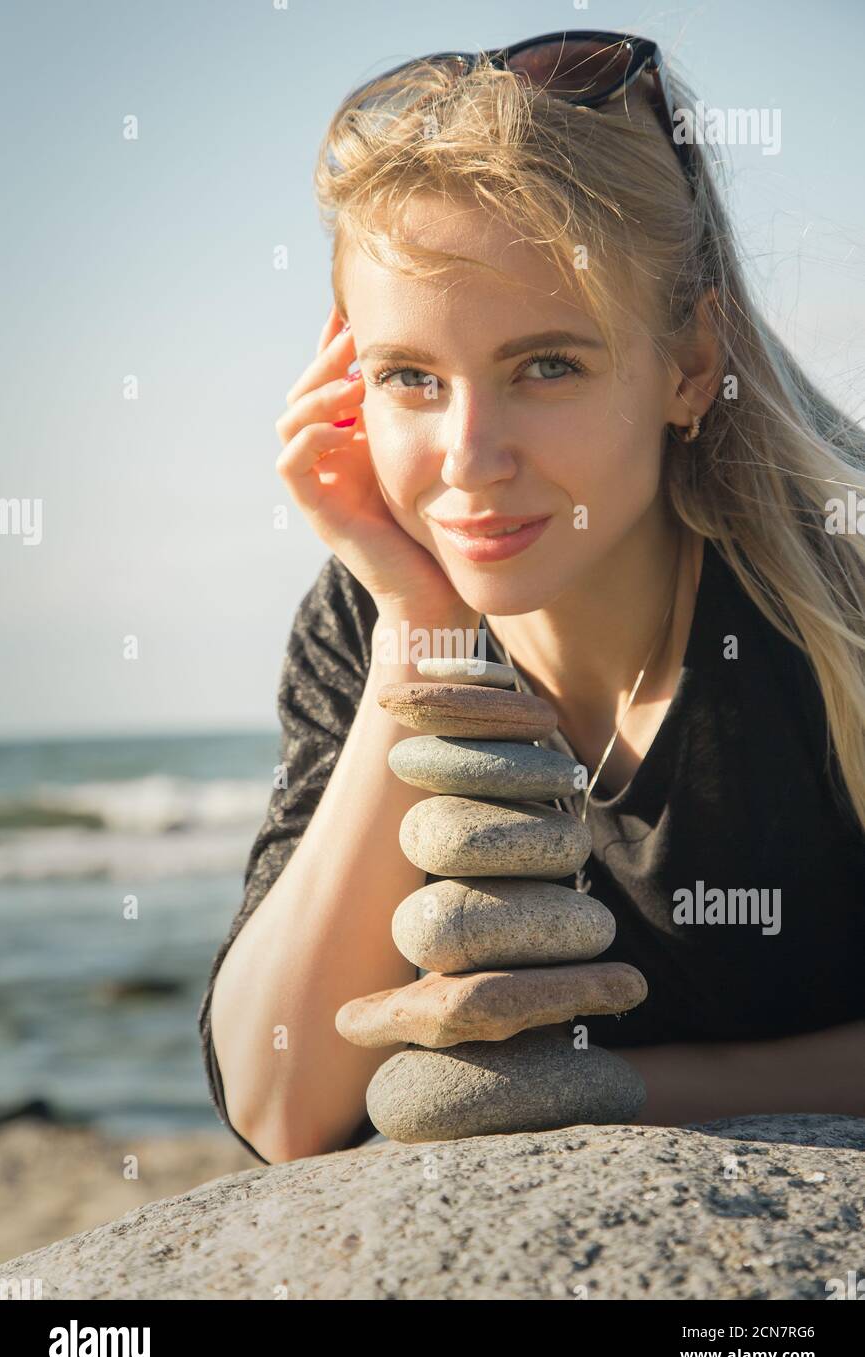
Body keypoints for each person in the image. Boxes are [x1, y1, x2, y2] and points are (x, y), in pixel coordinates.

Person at [198, 34, 865, 1165]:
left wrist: (612, 1087)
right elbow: (280, 1107)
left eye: (545, 365)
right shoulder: (368, 614)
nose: (466, 458)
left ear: (690, 364)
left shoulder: (833, 599)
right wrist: (420, 635)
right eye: (410, 375)